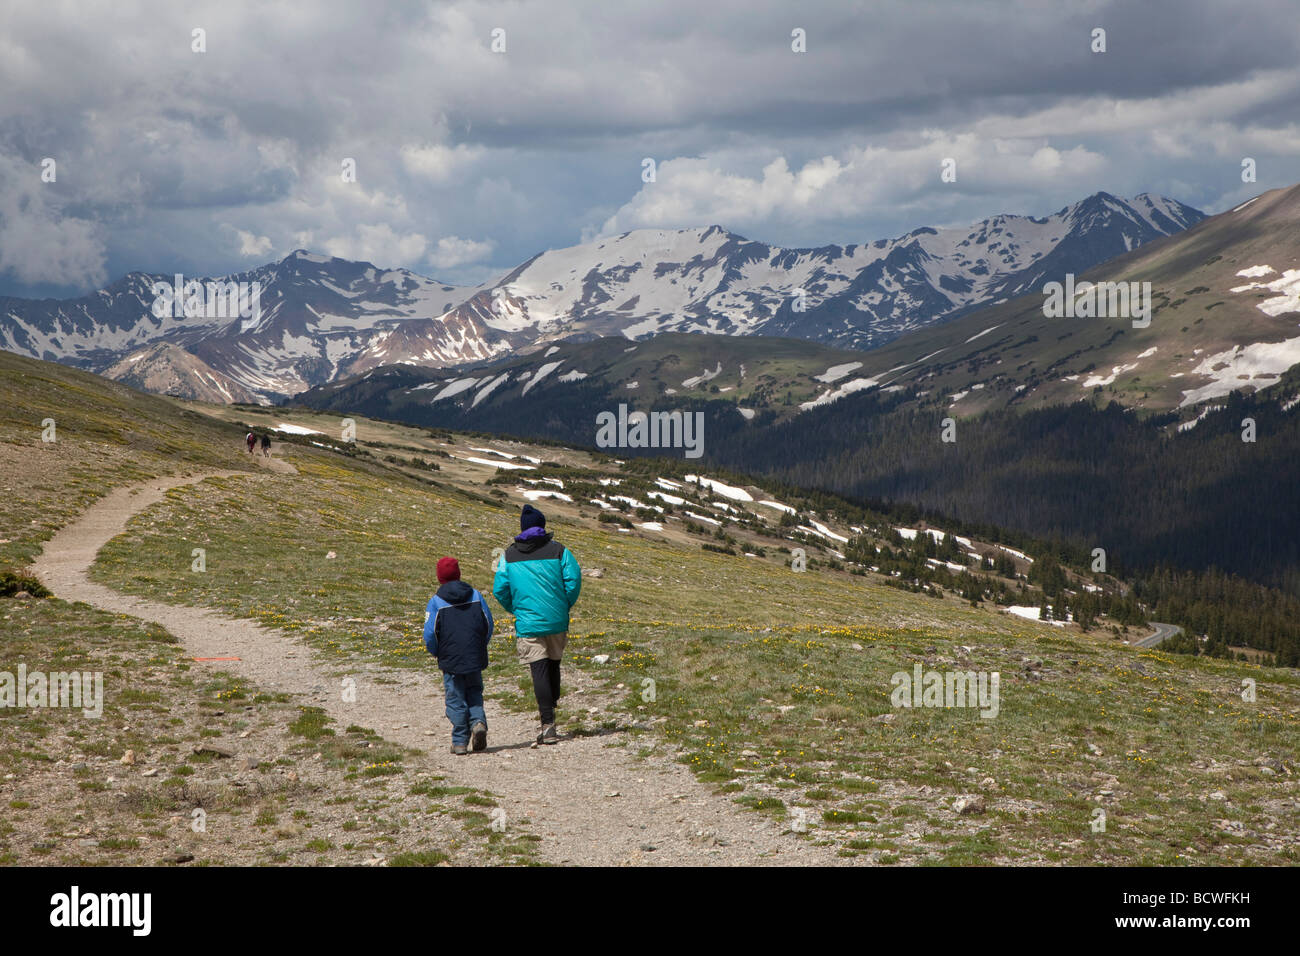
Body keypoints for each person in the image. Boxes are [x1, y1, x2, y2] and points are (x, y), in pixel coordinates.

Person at [493, 504, 581, 745]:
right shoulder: (560, 551)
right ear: (542, 526)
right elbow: (573, 581)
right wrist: (563, 605)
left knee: (539, 669)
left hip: (529, 622)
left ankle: (548, 724)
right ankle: (552, 703)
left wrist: (516, 608)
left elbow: (500, 589)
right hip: (557, 619)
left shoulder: (509, 555)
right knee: (553, 664)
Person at [423, 557, 493, 755]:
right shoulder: (476, 596)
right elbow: (488, 623)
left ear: (439, 577)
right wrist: (480, 645)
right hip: (474, 656)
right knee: (474, 692)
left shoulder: (436, 601)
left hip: (450, 658)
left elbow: (430, 634)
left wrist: (436, 651)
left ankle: (460, 741)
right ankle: (478, 722)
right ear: (459, 574)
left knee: (455, 698)